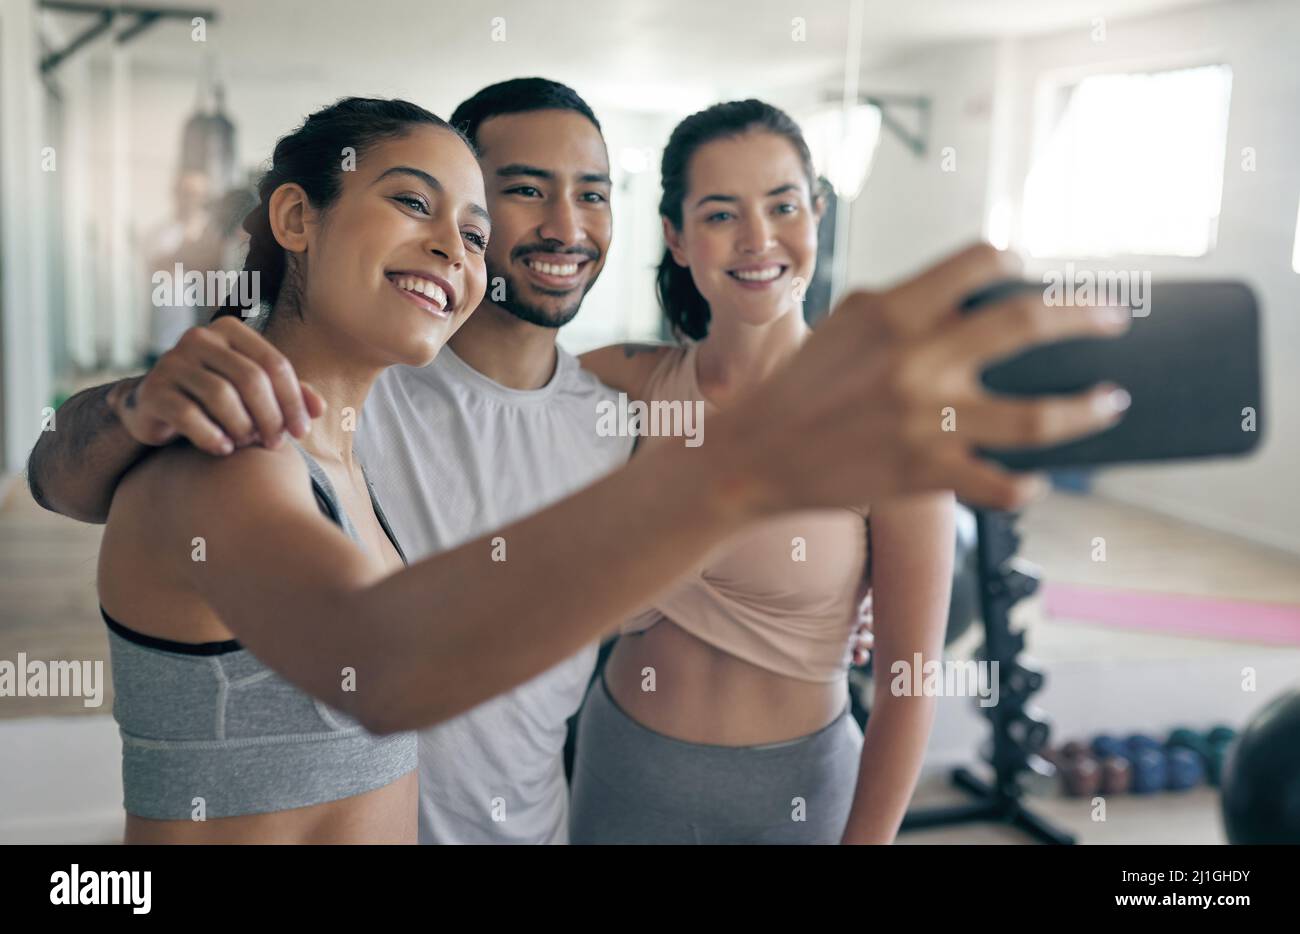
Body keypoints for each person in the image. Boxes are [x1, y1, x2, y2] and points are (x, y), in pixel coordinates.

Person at [26, 95, 1131, 845]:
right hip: (624, 777)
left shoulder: (427, 428)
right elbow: (382, 662)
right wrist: (123, 404)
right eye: (420, 204)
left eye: (467, 229)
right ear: (295, 218)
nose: (457, 251)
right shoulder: (238, 439)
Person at [570, 99, 952, 844]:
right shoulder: (624, 381)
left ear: (815, 212)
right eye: (720, 215)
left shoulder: (889, 425)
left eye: (782, 206)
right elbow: (472, 390)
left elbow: (910, 688)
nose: (758, 239)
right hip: (623, 767)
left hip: (797, 790)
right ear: (677, 238)